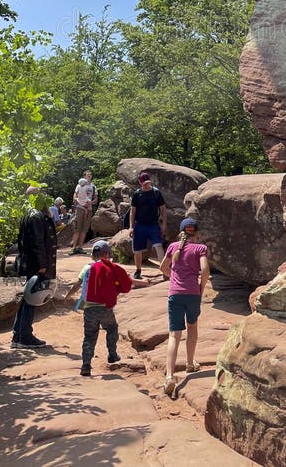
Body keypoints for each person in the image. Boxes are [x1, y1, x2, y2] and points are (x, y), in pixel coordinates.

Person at [67, 240, 149, 376]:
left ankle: (86, 365)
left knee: (89, 336)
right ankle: (112, 354)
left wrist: (68, 296)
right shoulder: (110, 268)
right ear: (107, 254)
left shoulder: (87, 268)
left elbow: (77, 284)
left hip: (89, 309)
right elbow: (126, 281)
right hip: (105, 308)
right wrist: (143, 282)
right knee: (112, 328)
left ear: (93, 254)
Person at [160, 217, 210, 397]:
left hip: (175, 294)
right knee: (192, 327)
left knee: (174, 335)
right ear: (196, 233)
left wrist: (172, 275)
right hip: (192, 294)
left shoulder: (173, 247)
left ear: (181, 232)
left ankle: (170, 376)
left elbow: (163, 267)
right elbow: (205, 270)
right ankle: (189, 363)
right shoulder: (201, 248)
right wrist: (201, 287)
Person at [11, 184, 58, 349]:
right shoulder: (36, 215)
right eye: (40, 195)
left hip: (32, 263)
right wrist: (42, 265)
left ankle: (19, 335)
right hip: (37, 265)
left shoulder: (30, 214)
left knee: (28, 297)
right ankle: (24, 337)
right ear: (36, 197)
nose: (44, 198)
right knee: (32, 299)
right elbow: (37, 243)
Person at [129, 170, 166, 280]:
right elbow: (132, 211)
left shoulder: (156, 193)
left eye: (148, 182)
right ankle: (138, 270)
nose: (146, 184)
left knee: (158, 246)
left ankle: (164, 270)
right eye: (144, 182)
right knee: (137, 250)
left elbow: (163, 209)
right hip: (140, 224)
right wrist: (131, 227)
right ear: (140, 183)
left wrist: (164, 225)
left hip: (153, 224)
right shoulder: (137, 194)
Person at [70, 171, 98, 254]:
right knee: (77, 228)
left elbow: (96, 199)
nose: (89, 176)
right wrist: (77, 200)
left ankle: (80, 247)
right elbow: (75, 195)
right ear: (84, 176)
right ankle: (74, 248)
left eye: (90, 175)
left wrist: (91, 203)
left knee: (84, 229)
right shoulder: (79, 185)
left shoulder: (93, 186)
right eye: (87, 175)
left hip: (89, 209)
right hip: (80, 208)